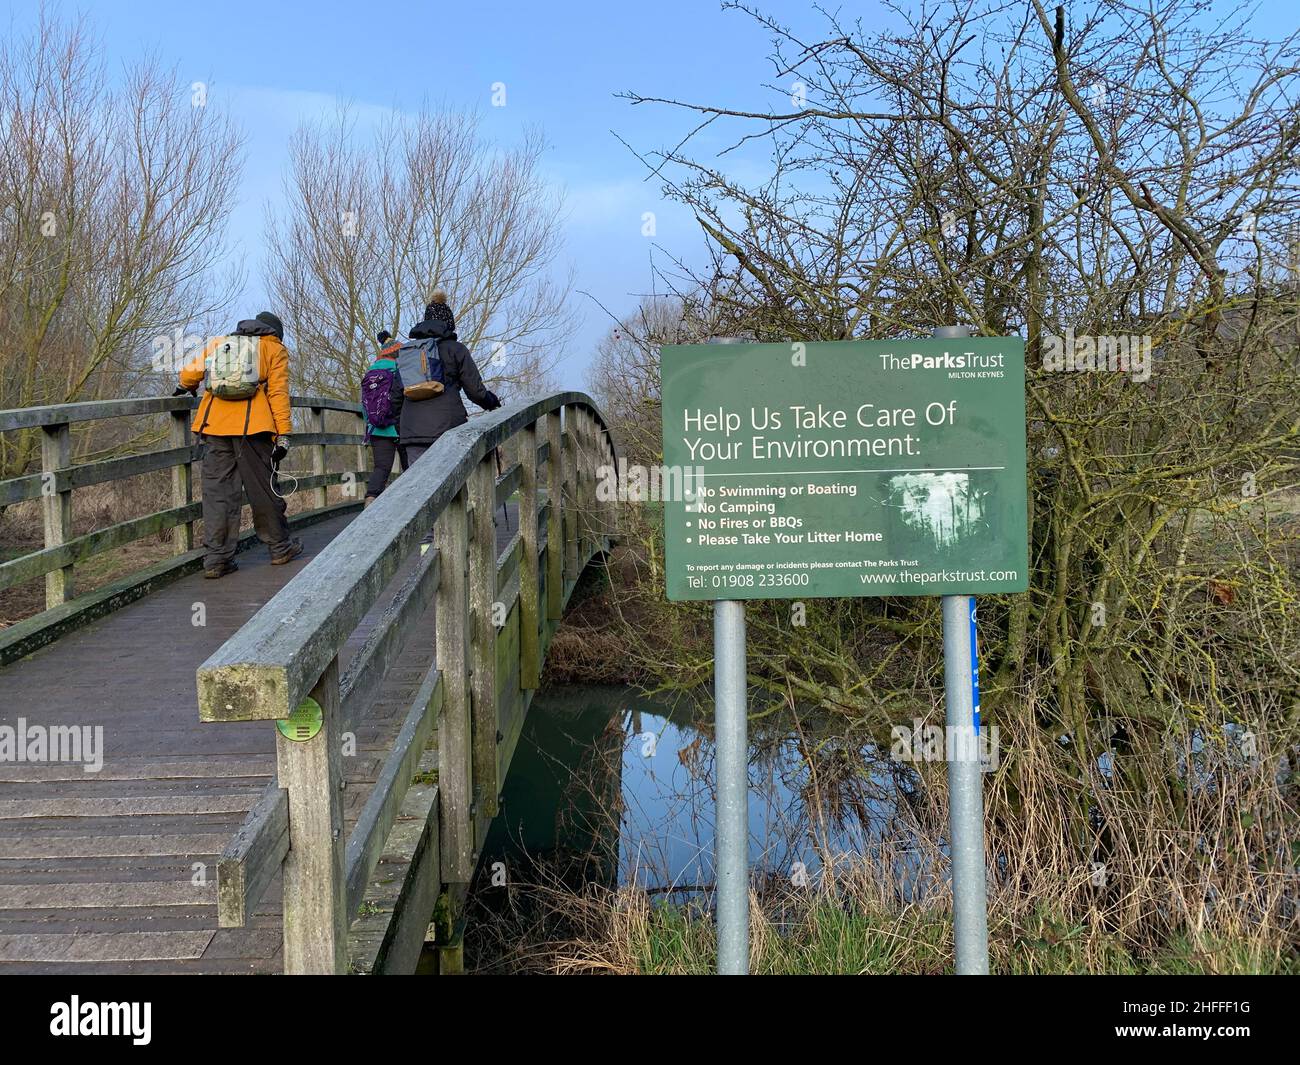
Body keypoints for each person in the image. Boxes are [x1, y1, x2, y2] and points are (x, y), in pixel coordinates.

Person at [176, 311, 304, 578]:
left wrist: (184, 386)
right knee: (263, 491)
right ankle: (279, 548)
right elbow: (278, 393)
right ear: (274, 332)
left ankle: (216, 560)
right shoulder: (273, 348)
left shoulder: (221, 342)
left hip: (214, 427)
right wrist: (283, 434)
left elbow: (190, 373)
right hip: (254, 430)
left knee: (218, 494)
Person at [397, 289, 501, 468]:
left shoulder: (406, 352)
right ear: (449, 324)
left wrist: (402, 428)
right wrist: (493, 403)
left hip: (411, 432)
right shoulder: (456, 349)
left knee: (418, 490)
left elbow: (395, 397)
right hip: (447, 429)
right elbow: (476, 392)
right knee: (452, 490)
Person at [361, 330, 407, 506]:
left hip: (377, 429)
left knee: (381, 469)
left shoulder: (369, 373)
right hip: (400, 427)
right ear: (397, 354)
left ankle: (369, 506)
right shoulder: (400, 369)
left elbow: (365, 405)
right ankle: (409, 509)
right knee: (411, 469)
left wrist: (371, 424)